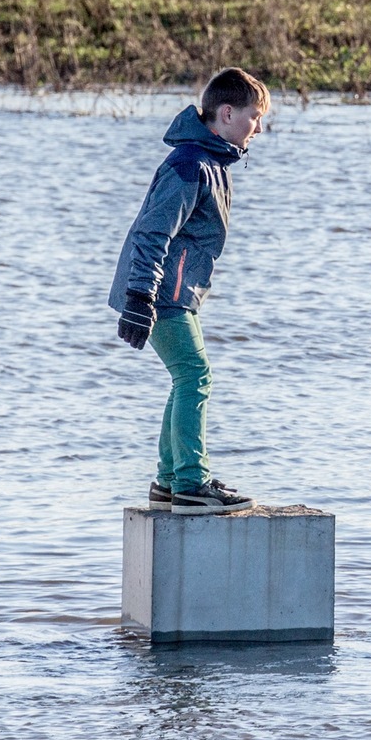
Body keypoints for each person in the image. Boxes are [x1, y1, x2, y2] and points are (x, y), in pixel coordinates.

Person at [109, 68, 271, 516]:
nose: (258, 128)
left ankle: (169, 480)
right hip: (160, 293)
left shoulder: (210, 161)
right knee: (195, 376)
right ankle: (191, 483)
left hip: (173, 292)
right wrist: (140, 298)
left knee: (186, 377)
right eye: (254, 117)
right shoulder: (190, 165)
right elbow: (151, 233)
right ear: (226, 113)